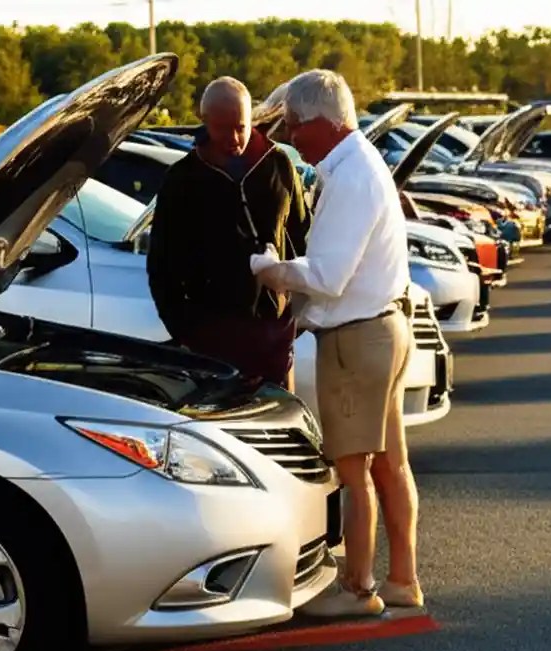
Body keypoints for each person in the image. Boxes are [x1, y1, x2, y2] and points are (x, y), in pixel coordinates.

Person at [251, 69, 424, 617]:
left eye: (296, 126)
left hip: (357, 340)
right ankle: (401, 579)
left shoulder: (348, 179)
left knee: (353, 469)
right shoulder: (362, 164)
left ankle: (358, 589)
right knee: (389, 465)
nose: (292, 137)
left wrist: (269, 270)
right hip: (386, 327)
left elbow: (327, 276)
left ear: (323, 122)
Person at [146, 76, 310, 390]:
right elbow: (161, 265)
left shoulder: (278, 165)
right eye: (223, 129)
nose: (234, 138)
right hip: (210, 341)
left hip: (274, 337)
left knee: (280, 432)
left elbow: (302, 238)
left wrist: (292, 318)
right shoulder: (182, 179)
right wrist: (185, 330)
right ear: (204, 122)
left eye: (241, 127)